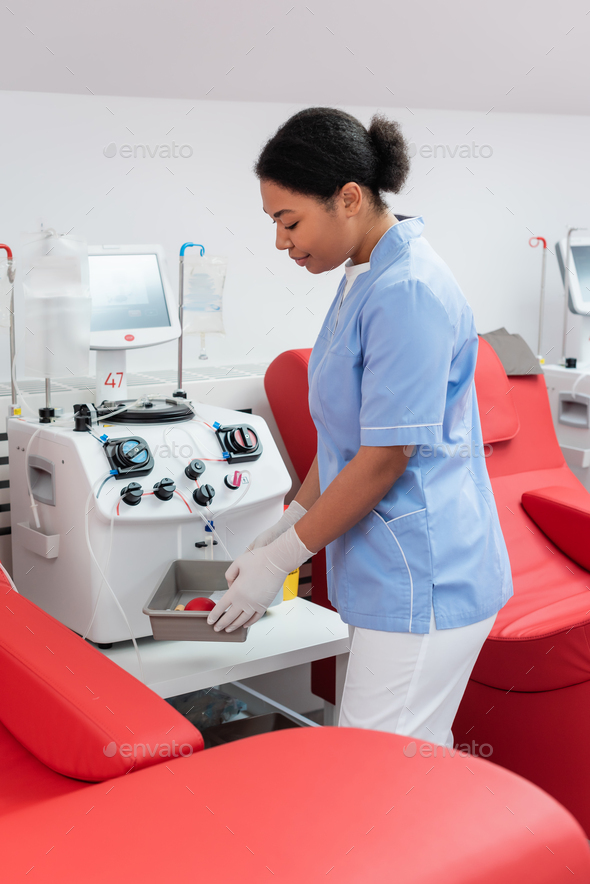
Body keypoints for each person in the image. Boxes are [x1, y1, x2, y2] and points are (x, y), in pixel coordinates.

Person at [207, 107, 513, 746]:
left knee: (377, 772)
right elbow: (344, 436)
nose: (281, 242)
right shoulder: (363, 276)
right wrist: (287, 521)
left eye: (290, 221)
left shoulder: (409, 290)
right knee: (407, 762)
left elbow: (383, 456)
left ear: (348, 198)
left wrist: (285, 559)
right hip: (392, 570)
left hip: (426, 575)